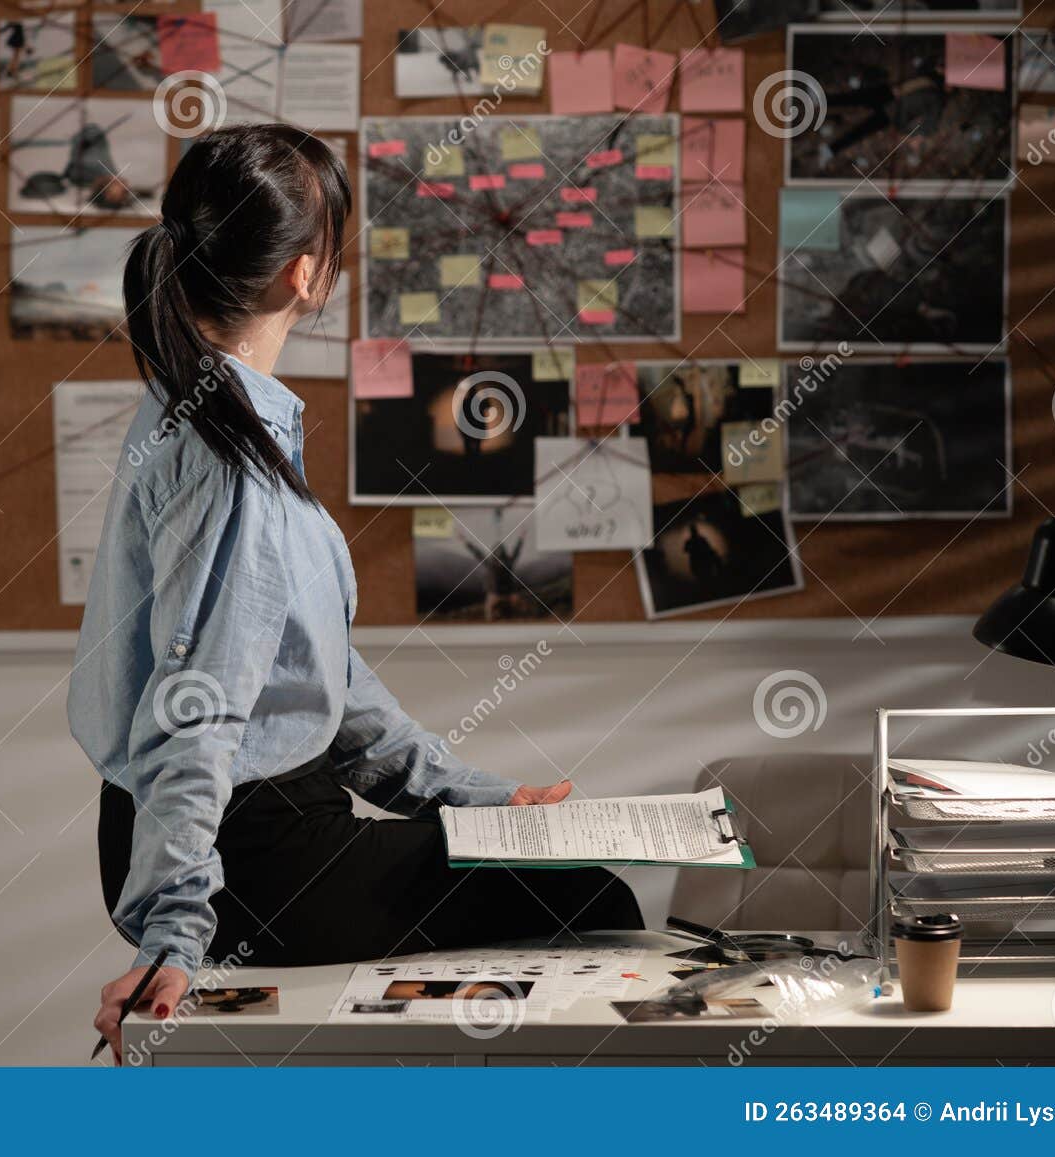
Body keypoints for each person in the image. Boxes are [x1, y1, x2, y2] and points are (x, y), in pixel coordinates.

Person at [69, 125, 642, 1063]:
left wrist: (482, 804)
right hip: (246, 853)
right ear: (306, 274)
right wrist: (175, 927)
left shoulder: (205, 411)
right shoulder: (231, 459)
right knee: (589, 897)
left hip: (241, 822)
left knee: (546, 873)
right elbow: (195, 710)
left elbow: (319, 678)